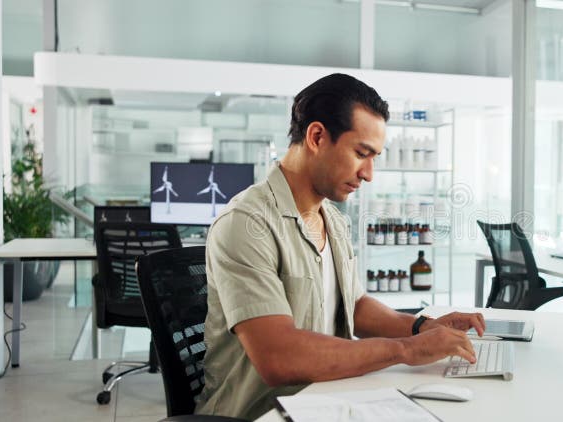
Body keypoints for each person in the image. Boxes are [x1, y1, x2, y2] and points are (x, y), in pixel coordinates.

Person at [195, 73, 485, 420]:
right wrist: (408, 349)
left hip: (325, 399)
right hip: (263, 413)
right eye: (361, 153)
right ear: (317, 136)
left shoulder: (332, 219)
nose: (369, 173)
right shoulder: (247, 224)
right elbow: (279, 357)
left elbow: (355, 306)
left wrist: (422, 327)